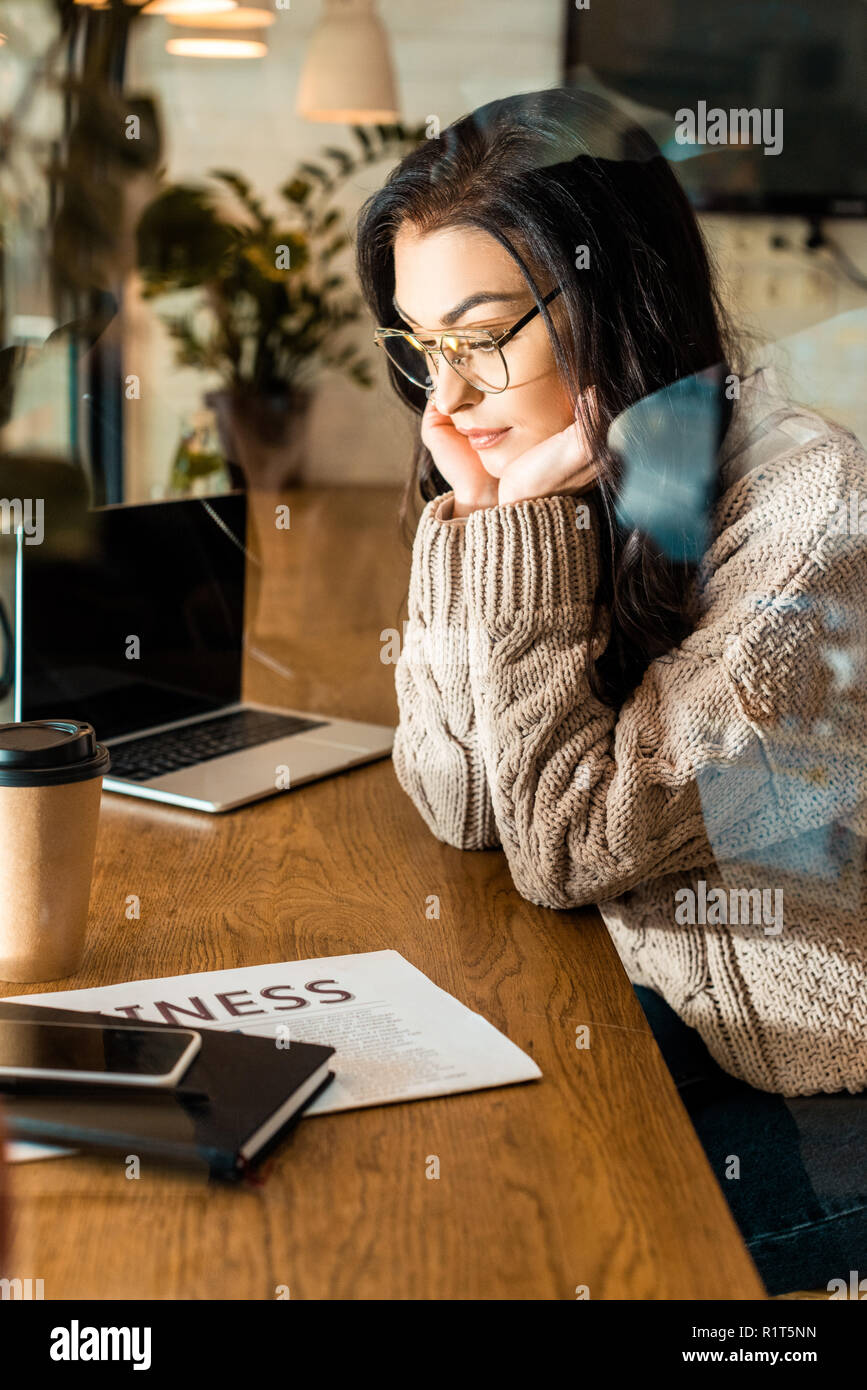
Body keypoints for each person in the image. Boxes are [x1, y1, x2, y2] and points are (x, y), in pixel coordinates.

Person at [355, 88, 867, 1296]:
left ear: (611, 295)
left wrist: (517, 526)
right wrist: (477, 523)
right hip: (639, 1020)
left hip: (801, 1106)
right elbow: (458, 799)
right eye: (423, 346)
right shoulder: (568, 467)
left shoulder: (812, 518)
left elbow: (567, 846)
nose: (448, 401)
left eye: (482, 337)